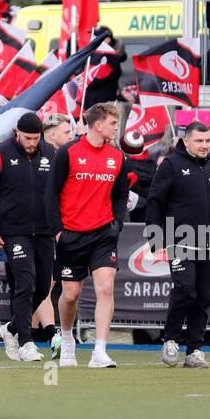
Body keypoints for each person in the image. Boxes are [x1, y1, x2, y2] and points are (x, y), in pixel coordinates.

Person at [145, 122, 210, 368]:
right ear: (186, 141)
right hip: (179, 240)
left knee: (203, 297)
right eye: (199, 141)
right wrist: (156, 240)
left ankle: (195, 350)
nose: (204, 145)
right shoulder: (171, 165)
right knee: (185, 289)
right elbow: (155, 202)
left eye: (207, 141)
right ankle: (171, 340)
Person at [50, 101, 138, 369]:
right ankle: (67, 340)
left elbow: (122, 193)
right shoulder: (68, 153)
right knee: (71, 294)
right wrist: (57, 231)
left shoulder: (118, 157)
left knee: (106, 288)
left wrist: (117, 224)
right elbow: (50, 194)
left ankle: (99, 351)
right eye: (113, 123)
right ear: (98, 125)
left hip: (103, 234)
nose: (117, 127)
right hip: (71, 234)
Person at [0, 112, 59, 362]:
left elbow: (59, 191)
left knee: (43, 287)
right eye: (27, 138)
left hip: (45, 231)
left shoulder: (50, 153)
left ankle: (11, 328)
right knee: (25, 283)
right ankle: (26, 342)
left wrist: (60, 224)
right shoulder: (2, 154)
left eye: (36, 138)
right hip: (13, 231)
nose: (32, 142)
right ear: (17, 133)